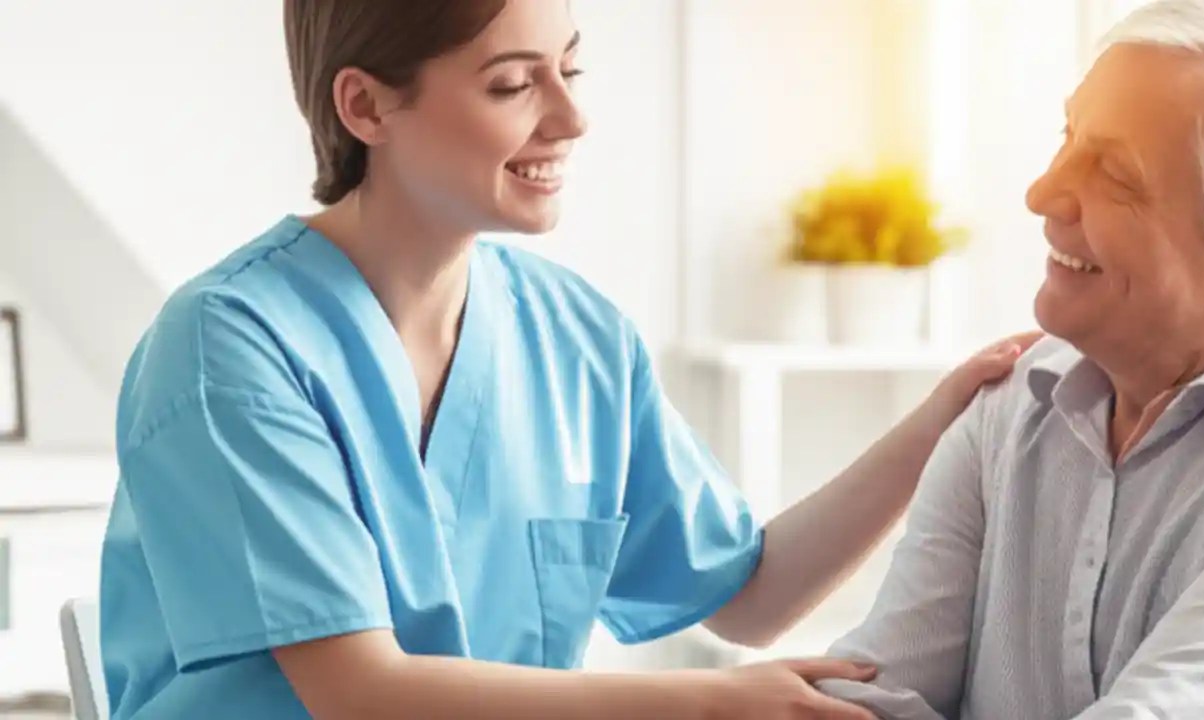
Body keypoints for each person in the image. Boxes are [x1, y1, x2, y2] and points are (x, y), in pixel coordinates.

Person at [98, 1, 1033, 718]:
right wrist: (709, 704)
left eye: (571, 69)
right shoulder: (228, 347)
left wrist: (948, 421)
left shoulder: (577, 339)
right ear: (365, 105)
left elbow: (746, 598)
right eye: (514, 85)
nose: (572, 118)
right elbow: (359, 692)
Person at [816, 1, 1204, 718]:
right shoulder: (1007, 406)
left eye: (1116, 173)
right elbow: (874, 693)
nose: (1041, 194)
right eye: (1068, 137)